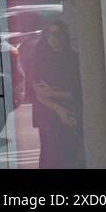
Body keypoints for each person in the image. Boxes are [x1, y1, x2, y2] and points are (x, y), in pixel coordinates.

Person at [26, 20, 84, 168]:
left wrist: (53, 93)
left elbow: (76, 93)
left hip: (70, 113)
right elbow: (38, 92)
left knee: (69, 155)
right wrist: (59, 109)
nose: (53, 37)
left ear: (65, 36)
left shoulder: (73, 58)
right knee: (49, 156)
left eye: (57, 33)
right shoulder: (40, 58)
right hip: (48, 115)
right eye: (49, 34)